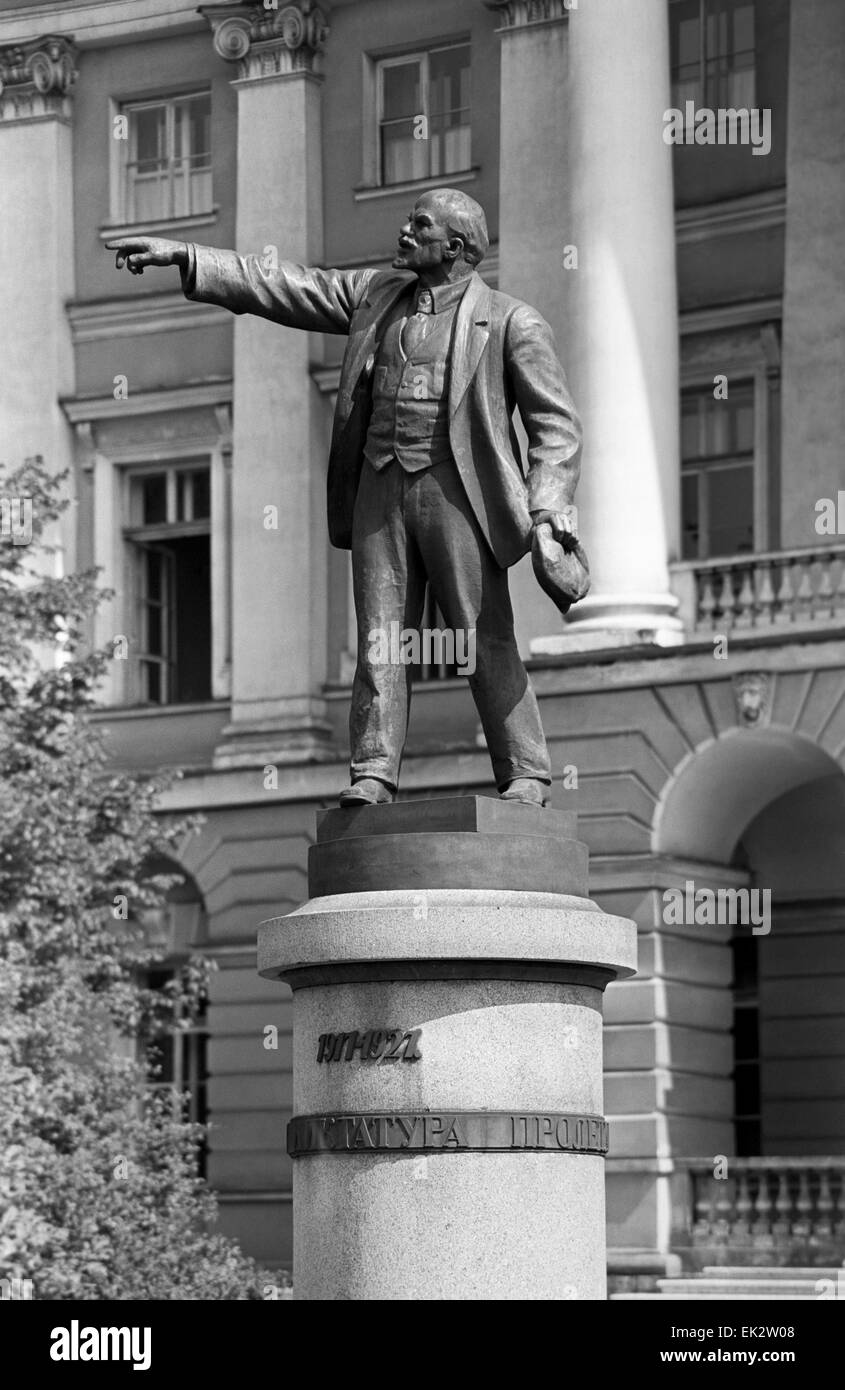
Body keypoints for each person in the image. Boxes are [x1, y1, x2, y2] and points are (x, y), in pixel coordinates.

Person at [108, 188, 581, 808]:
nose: (405, 231)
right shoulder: (376, 297)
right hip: (379, 489)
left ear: (458, 247)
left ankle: (526, 772)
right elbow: (284, 283)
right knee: (380, 637)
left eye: (421, 225)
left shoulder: (514, 322)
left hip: (459, 493)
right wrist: (191, 257)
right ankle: (374, 772)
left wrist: (547, 512)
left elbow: (557, 429)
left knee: (479, 634)